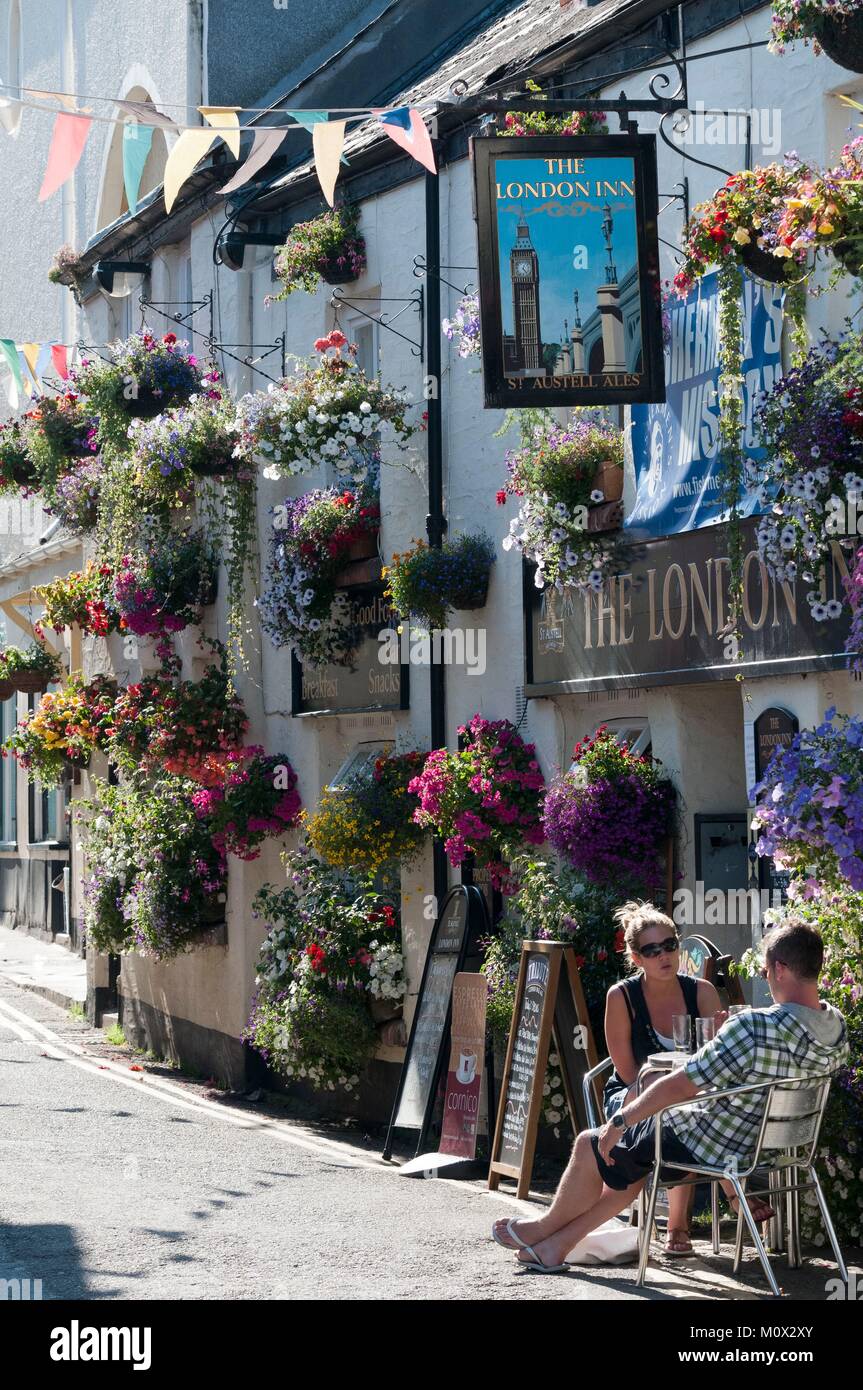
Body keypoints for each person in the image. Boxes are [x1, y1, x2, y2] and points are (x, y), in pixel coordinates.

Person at [492, 918, 848, 1273]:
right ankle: (554, 1247)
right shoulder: (837, 1027)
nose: (766, 979)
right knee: (631, 1161)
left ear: (781, 969)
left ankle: (543, 1230)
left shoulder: (754, 1026)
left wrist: (620, 1119)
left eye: (766, 970)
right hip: (773, 1148)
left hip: (711, 1141)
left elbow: (681, 1084)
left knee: (593, 1142)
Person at [603, 902, 724, 1255]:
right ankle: (697, 1213)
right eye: (651, 950)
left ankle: (678, 1223)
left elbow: (715, 1062)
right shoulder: (622, 996)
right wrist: (671, 1086)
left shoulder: (700, 991)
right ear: (636, 957)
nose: (663, 956)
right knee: (676, 1105)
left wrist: (718, 1036)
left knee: (680, 1105)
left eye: (669, 945)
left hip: (690, 1093)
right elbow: (626, 1071)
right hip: (630, 1095)